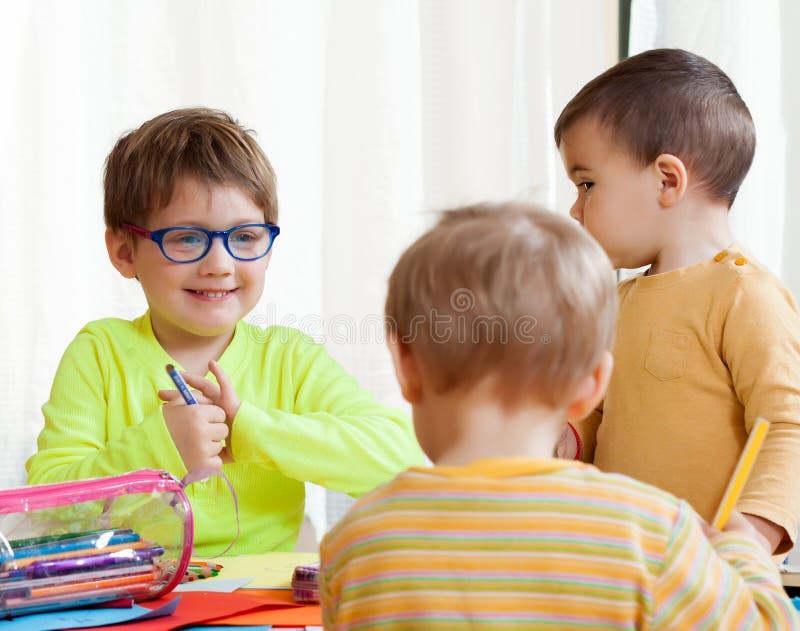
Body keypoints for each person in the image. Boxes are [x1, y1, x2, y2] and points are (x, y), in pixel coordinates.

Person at [319, 203, 799, 630]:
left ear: (404, 366)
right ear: (592, 386)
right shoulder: (651, 536)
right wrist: (742, 548)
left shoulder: (356, 543)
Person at [26, 107, 424, 555]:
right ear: (124, 251)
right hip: (129, 605)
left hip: (262, 608)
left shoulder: (290, 358)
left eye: (246, 237)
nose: (219, 265)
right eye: (186, 238)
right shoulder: (99, 353)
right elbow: (46, 512)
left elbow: (402, 464)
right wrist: (162, 445)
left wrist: (250, 431)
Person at [554, 48, 800, 555]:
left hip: (713, 576)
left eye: (587, 184)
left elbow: (789, 425)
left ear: (667, 180)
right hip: (624, 568)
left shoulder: (744, 295)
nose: (575, 209)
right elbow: (596, 415)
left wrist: (751, 533)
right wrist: (565, 440)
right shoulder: (616, 303)